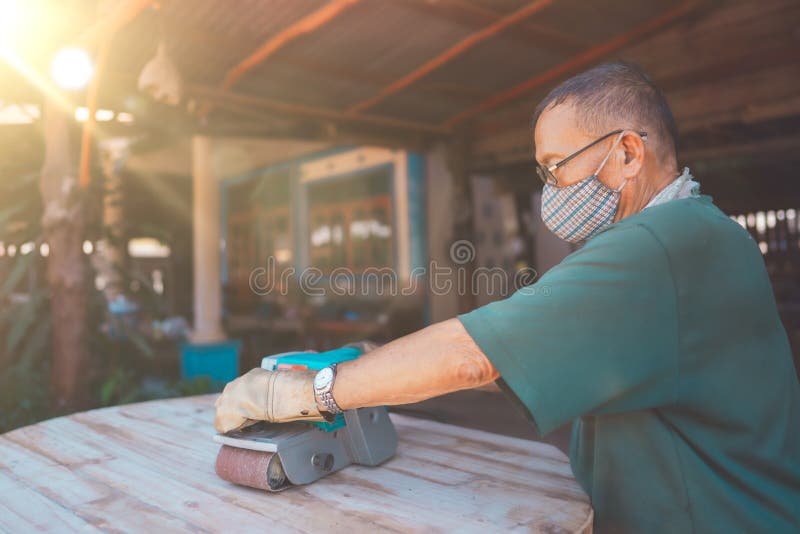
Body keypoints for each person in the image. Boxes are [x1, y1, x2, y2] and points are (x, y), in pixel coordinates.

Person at [215, 62, 800, 533]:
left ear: (626, 152)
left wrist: (313, 393)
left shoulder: (656, 245)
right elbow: (534, 353)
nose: (550, 190)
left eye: (557, 166)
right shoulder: (698, 234)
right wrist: (375, 357)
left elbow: (475, 354)